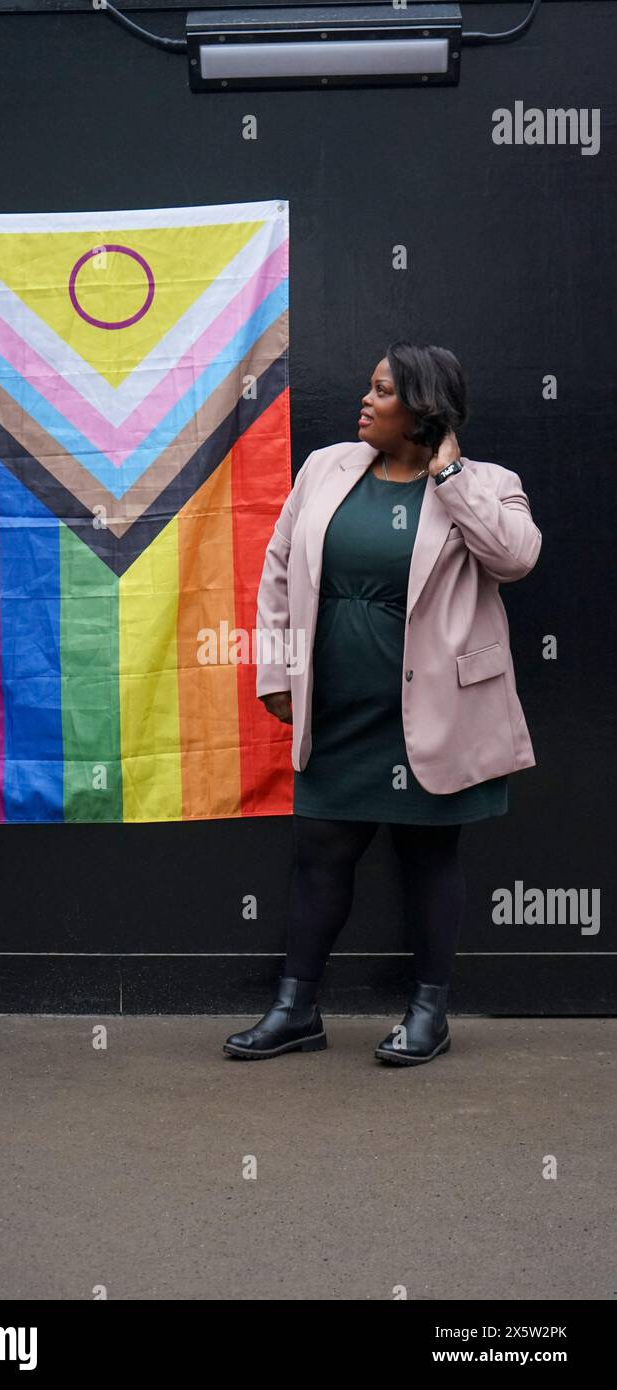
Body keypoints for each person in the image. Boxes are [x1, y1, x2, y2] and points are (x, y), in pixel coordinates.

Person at [223, 342, 542, 1065]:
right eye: (368, 389)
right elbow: (278, 570)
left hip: (435, 714)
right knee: (318, 856)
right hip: (337, 707)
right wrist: (275, 670)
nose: (363, 402)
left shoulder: (488, 482)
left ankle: (428, 1013)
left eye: (381, 392)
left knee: (429, 858)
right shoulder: (325, 468)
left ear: (422, 408)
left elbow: (515, 558)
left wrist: (450, 473)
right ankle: (294, 1009)